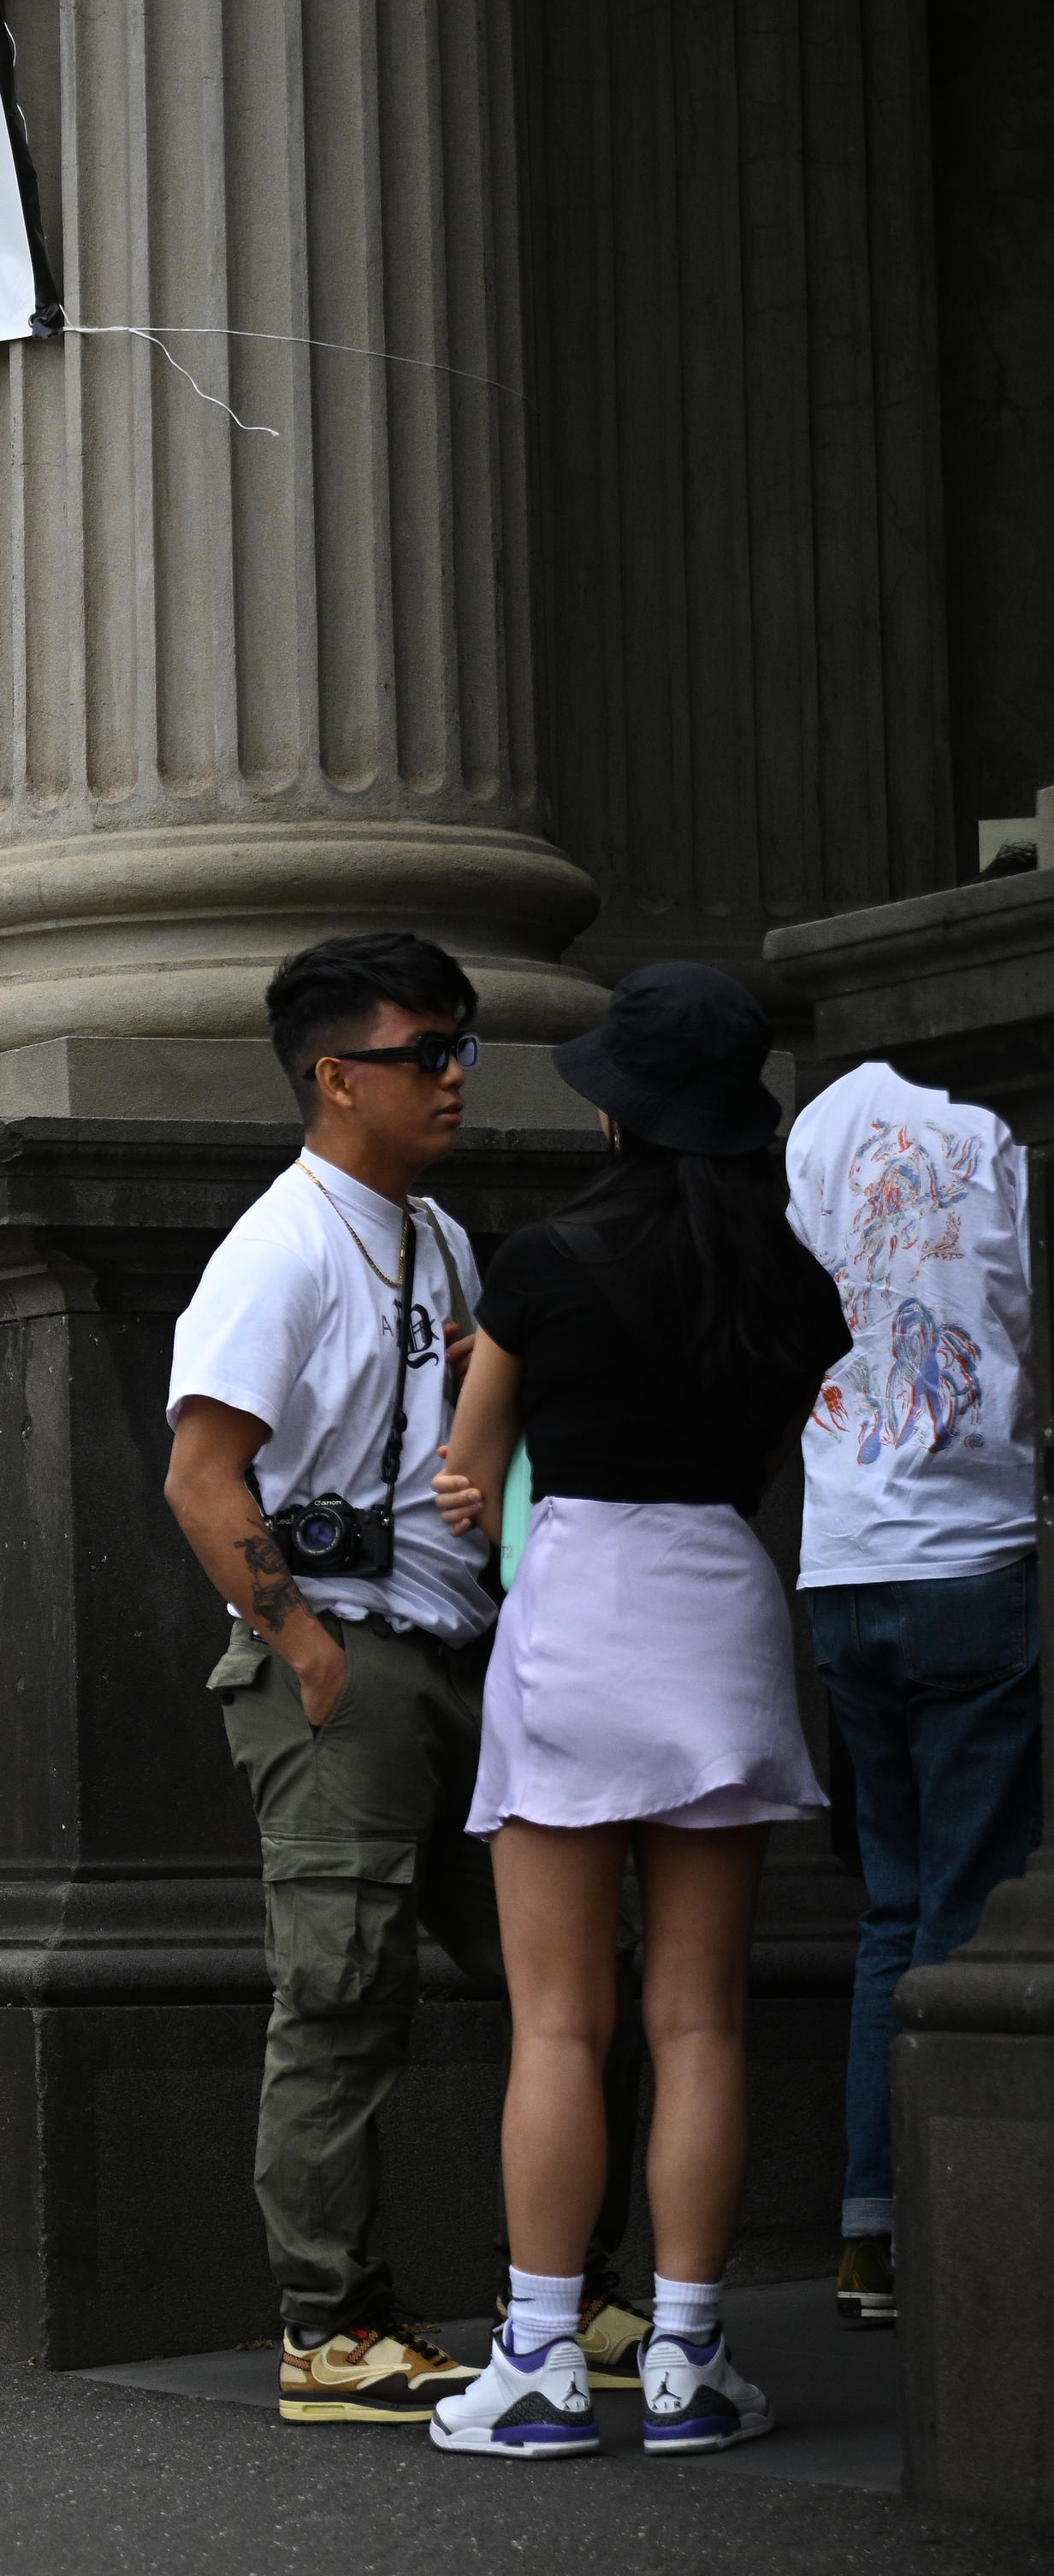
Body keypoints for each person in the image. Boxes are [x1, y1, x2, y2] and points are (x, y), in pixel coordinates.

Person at [161, 932, 643, 2419]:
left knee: (566, 1978)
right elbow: (199, 1474)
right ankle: (330, 2322)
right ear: (335, 1075)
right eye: (424, 1051)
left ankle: (561, 2289)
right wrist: (305, 1648)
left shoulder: (434, 1234)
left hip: (456, 1652)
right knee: (345, 1990)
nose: (453, 1076)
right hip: (349, 1657)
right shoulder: (283, 1241)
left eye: (460, 1048)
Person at [423, 965, 853, 2458]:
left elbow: (468, 1485)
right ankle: (685, 2356)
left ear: (622, 1109)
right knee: (700, 2016)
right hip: (723, 1600)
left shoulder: (539, 1259)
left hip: (587, 1595)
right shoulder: (794, 1286)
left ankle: (539, 2357)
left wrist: (477, 1479)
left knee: (559, 2015)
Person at [786, 1055, 1042, 2331]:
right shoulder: (996, 1128)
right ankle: (958, 2215)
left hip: (845, 1554)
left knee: (891, 1904)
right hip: (975, 1545)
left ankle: (869, 2231)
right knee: (973, 1892)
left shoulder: (821, 1128)